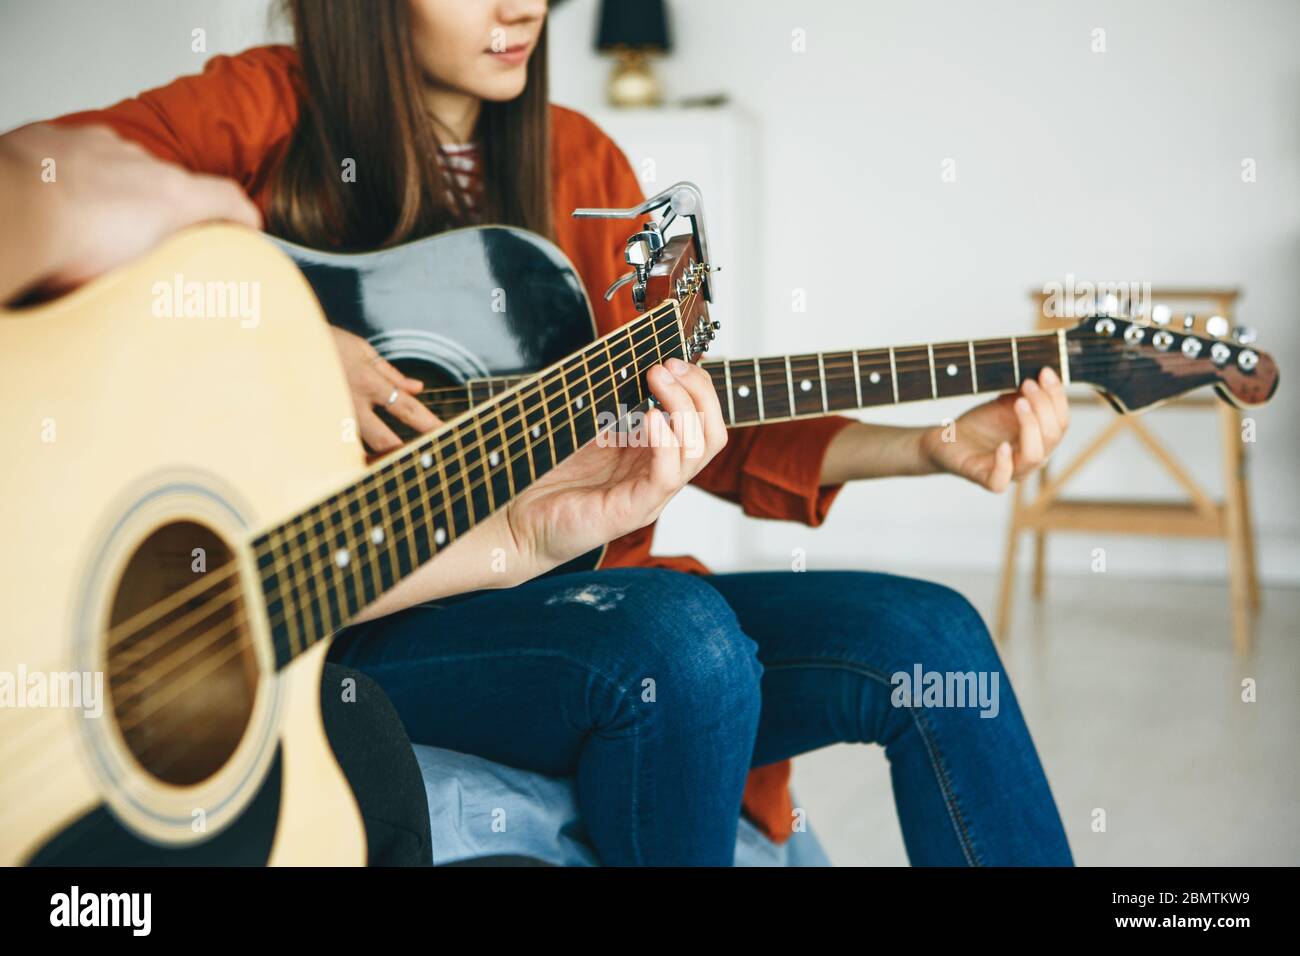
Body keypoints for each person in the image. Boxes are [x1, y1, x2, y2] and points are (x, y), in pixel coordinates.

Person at [22, 0, 1075, 865]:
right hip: (345, 605)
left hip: (563, 593)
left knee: (933, 639)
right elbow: (45, 175)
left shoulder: (583, 161)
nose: (520, 6)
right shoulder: (265, 106)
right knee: (677, 637)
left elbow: (680, 412)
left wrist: (927, 446)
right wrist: (291, 332)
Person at [0, 120, 724, 865]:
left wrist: (517, 535)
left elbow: (261, 590)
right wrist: (37, 197)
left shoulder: (569, 148)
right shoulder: (253, 113)